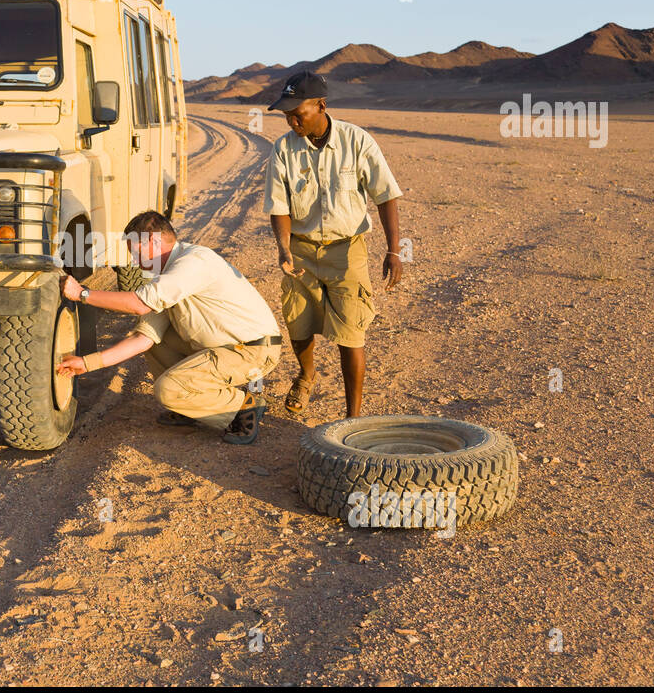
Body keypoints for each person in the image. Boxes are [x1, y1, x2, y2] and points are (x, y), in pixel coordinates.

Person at [56, 211, 282, 444]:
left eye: (136, 253)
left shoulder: (194, 262)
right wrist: (86, 363)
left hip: (253, 351)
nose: (135, 262)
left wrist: (82, 294)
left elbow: (138, 305)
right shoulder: (169, 275)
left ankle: (242, 408)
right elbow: (143, 339)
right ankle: (190, 404)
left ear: (152, 241)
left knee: (167, 390)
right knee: (157, 340)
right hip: (226, 347)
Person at [264, 71, 404, 417]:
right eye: (287, 115)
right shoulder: (283, 149)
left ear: (321, 106)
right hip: (301, 249)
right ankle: (307, 374)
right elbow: (279, 207)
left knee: (351, 333)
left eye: (298, 113)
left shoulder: (357, 141)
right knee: (298, 321)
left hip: (347, 251)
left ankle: (352, 417)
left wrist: (394, 250)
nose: (292, 121)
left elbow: (385, 196)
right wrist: (284, 250)